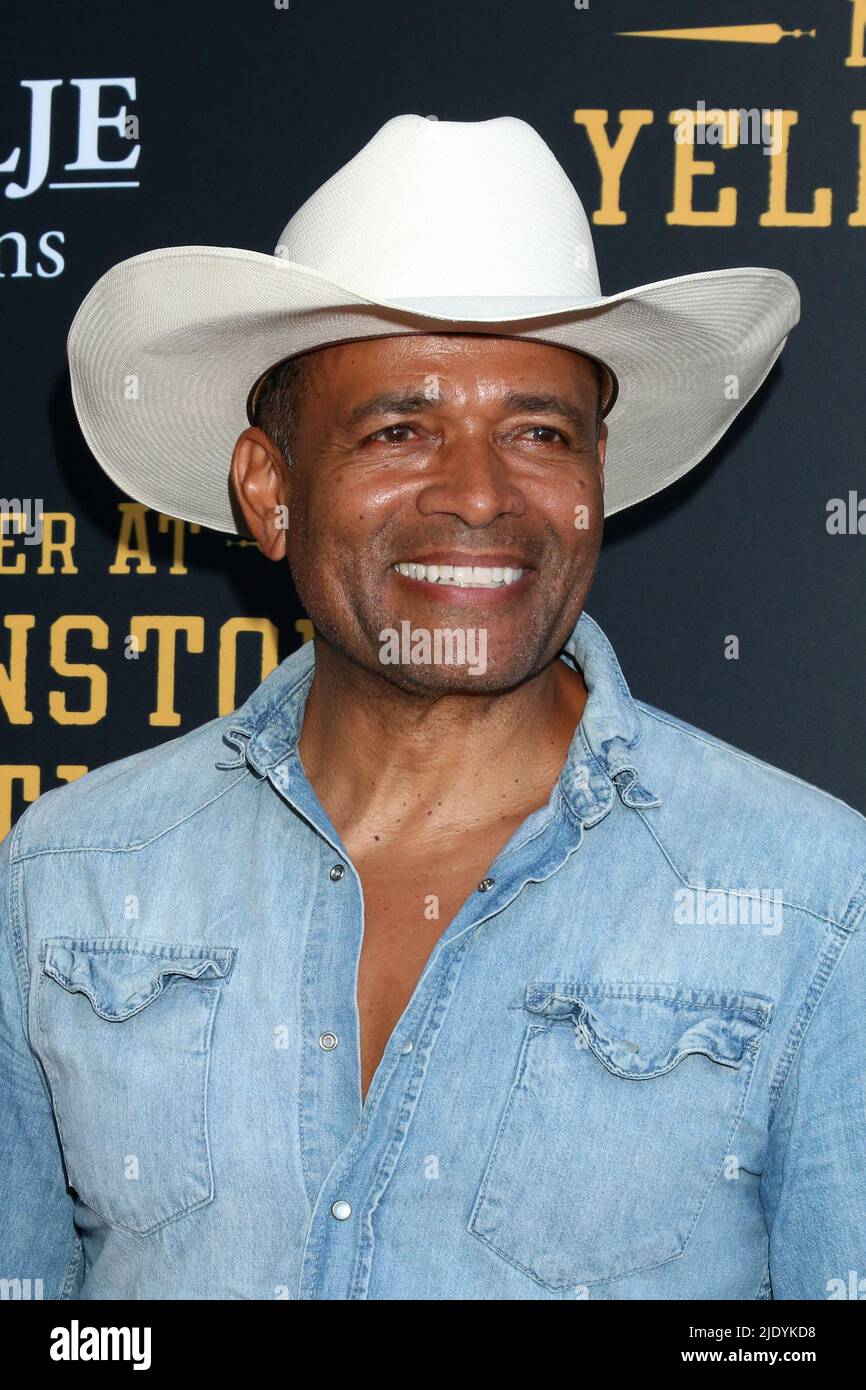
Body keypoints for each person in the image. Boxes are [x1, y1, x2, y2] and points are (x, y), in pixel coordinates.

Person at [2, 114, 864, 1301]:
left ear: (593, 478)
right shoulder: (68, 876)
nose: (477, 493)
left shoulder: (813, 900)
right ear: (269, 490)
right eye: (400, 429)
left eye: (538, 432)